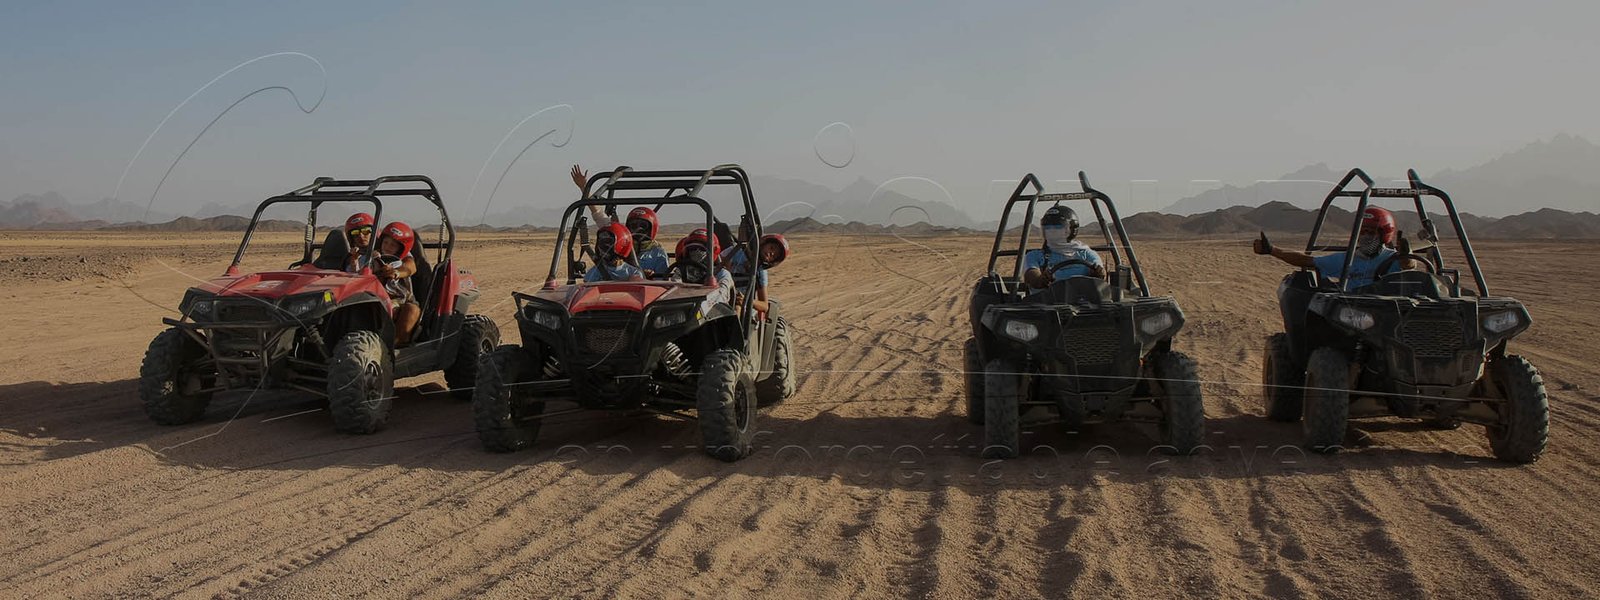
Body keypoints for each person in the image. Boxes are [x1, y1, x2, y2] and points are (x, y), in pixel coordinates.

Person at [1254, 206, 1411, 289]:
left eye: (1371, 232)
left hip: (1389, 312)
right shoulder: (1346, 259)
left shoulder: (1393, 259)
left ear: (1384, 234)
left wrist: (1406, 255)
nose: (1365, 236)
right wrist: (1272, 250)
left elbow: (1409, 265)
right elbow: (1307, 261)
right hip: (1354, 313)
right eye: (1362, 232)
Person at [1022, 205, 1105, 292]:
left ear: (1071, 229)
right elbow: (1033, 277)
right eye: (1047, 227)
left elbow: (1100, 273)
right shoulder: (1035, 256)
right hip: (1047, 299)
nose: (1051, 231)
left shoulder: (1087, 254)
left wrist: (1098, 273)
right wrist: (1042, 279)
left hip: (1083, 298)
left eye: (1057, 227)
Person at [371, 221, 422, 345]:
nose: (387, 247)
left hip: (401, 298)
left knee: (411, 310)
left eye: (393, 245)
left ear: (401, 249)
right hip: (375, 296)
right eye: (386, 242)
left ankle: (397, 344)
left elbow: (410, 268)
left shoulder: (404, 258)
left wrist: (396, 272)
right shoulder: (374, 255)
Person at [671, 228, 735, 305]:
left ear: (712, 251)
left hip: (714, 310)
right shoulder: (682, 271)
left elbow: (721, 297)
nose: (696, 252)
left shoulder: (722, 274)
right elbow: (673, 290)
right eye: (693, 249)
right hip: (684, 308)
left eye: (701, 249)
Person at [625, 206, 671, 277]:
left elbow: (662, 279)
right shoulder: (623, 249)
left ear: (651, 229)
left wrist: (650, 276)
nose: (638, 229)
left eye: (643, 226)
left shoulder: (658, 253)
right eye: (634, 226)